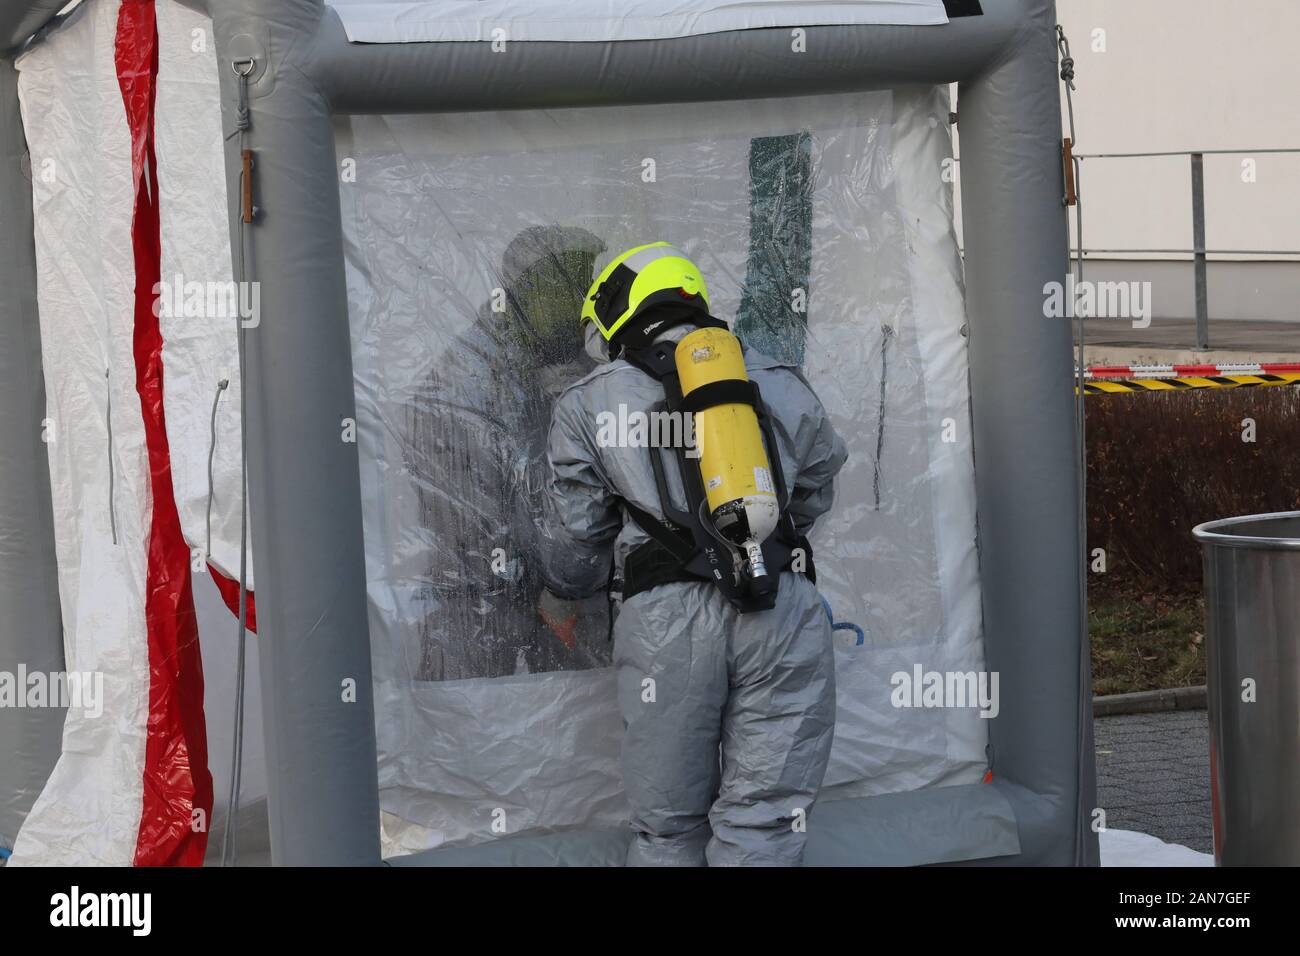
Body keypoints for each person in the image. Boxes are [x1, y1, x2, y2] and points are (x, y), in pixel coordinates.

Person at [539, 241, 847, 865]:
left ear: (617, 314)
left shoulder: (589, 402)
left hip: (666, 625)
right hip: (781, 604)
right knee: (766, 823)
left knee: (669, 829)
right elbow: (815, 489)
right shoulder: (780, 380)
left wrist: (565, 588)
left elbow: (577, 545)